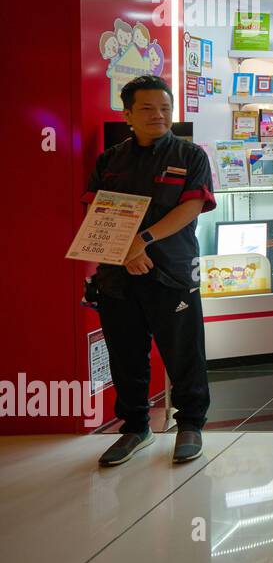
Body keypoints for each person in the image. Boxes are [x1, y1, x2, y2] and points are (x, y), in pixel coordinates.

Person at [83, 75, 216, 467]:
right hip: (117, 274)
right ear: (127, 114)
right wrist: (126, 251)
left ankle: (190, 425)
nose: (158, 115)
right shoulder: (110, 160)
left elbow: (190, 207)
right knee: (125, 353)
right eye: (147, 108)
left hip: (172, 270)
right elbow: (97, 210)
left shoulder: (190, 157)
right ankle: (135, 427)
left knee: (184, 352)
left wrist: (142, 239)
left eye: (164, 108)